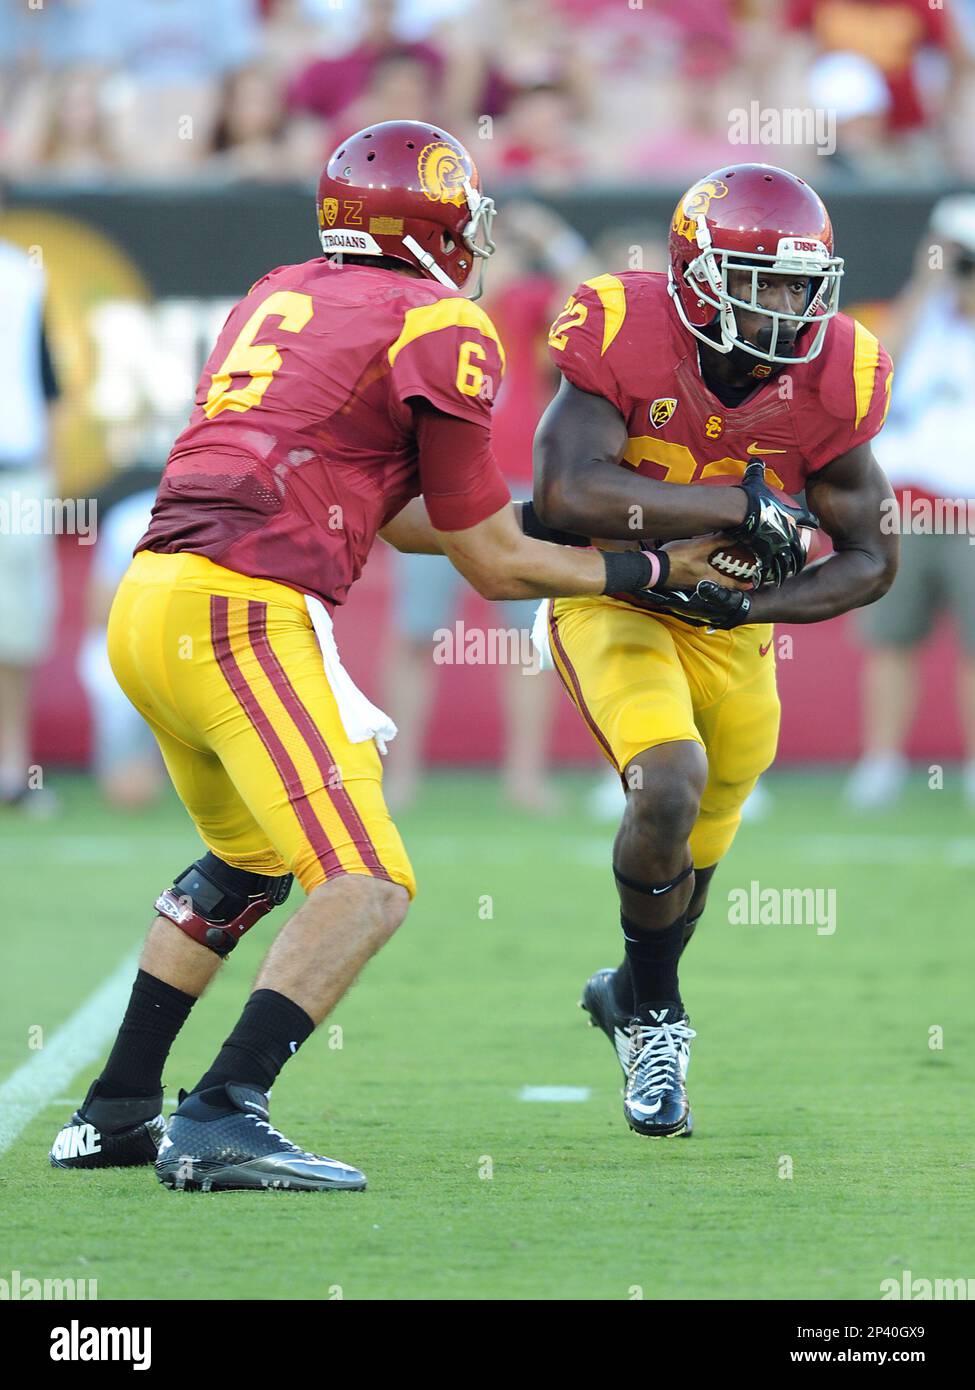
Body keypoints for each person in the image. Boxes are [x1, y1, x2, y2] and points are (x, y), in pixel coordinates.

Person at [48, 121, 778, 1192]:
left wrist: (583, 536)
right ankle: (221, 1111)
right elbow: (487, 559)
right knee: (370, 880)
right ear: (433, 224)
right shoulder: (439, 319)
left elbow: (404, 515)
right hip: (242, 610)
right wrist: (649, 576)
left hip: (152, 601)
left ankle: (115, 1111)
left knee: (244, 862)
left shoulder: (278, 291)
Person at [533, 163, 897, 1139]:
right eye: (761, 280)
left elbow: (869, 559)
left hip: (732, 632)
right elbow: (564, 493)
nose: (785, 306)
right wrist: (737, 505)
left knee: (695, 850)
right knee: (668, 783)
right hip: (617, 597)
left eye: (798, 284)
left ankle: (635, 991)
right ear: (698, 276)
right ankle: (659, 1021)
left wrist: (753, 606)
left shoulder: (837, 376)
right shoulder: (625, 327)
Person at [846, 194, 975, 809]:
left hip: (971, 508)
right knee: (891, 640)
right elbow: (873, 364)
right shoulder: (910, 317)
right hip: (908, 507)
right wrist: (930, 284)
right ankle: (882, 762)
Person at [0, 232, 60, 812]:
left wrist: (52, 471)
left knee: (15, 630)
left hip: (15, 472)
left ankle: (13, 768)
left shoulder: (21, 272)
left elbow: (46, 377)